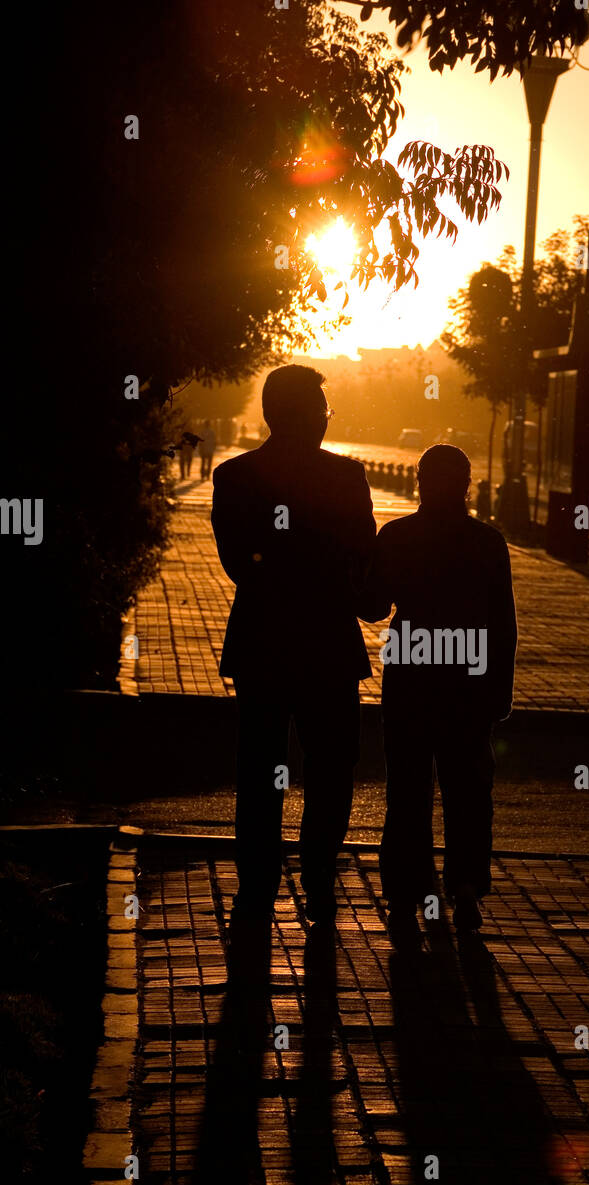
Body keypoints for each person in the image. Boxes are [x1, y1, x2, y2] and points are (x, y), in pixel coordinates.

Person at [211, 365, 375, 921]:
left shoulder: (235, 476)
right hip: (327, 642)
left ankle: (256, 885)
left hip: (262, 640)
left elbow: (240, 563)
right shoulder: (346, 478)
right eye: (324, 411)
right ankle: (318, 879)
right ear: (305, 414)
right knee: (332, 767)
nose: (327, 422)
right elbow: (362, 563)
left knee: (259, 768)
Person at [359, 445, 517, 936]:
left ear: (419, 481)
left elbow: (372, 607)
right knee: (468, 787)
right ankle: (466, 885)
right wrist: (499, 692)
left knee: (407, 787)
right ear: (467, 484)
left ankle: (406, 892)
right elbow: (503, 625)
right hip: (467, 675)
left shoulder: (397, 535)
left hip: (411, 671)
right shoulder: (488, 542)